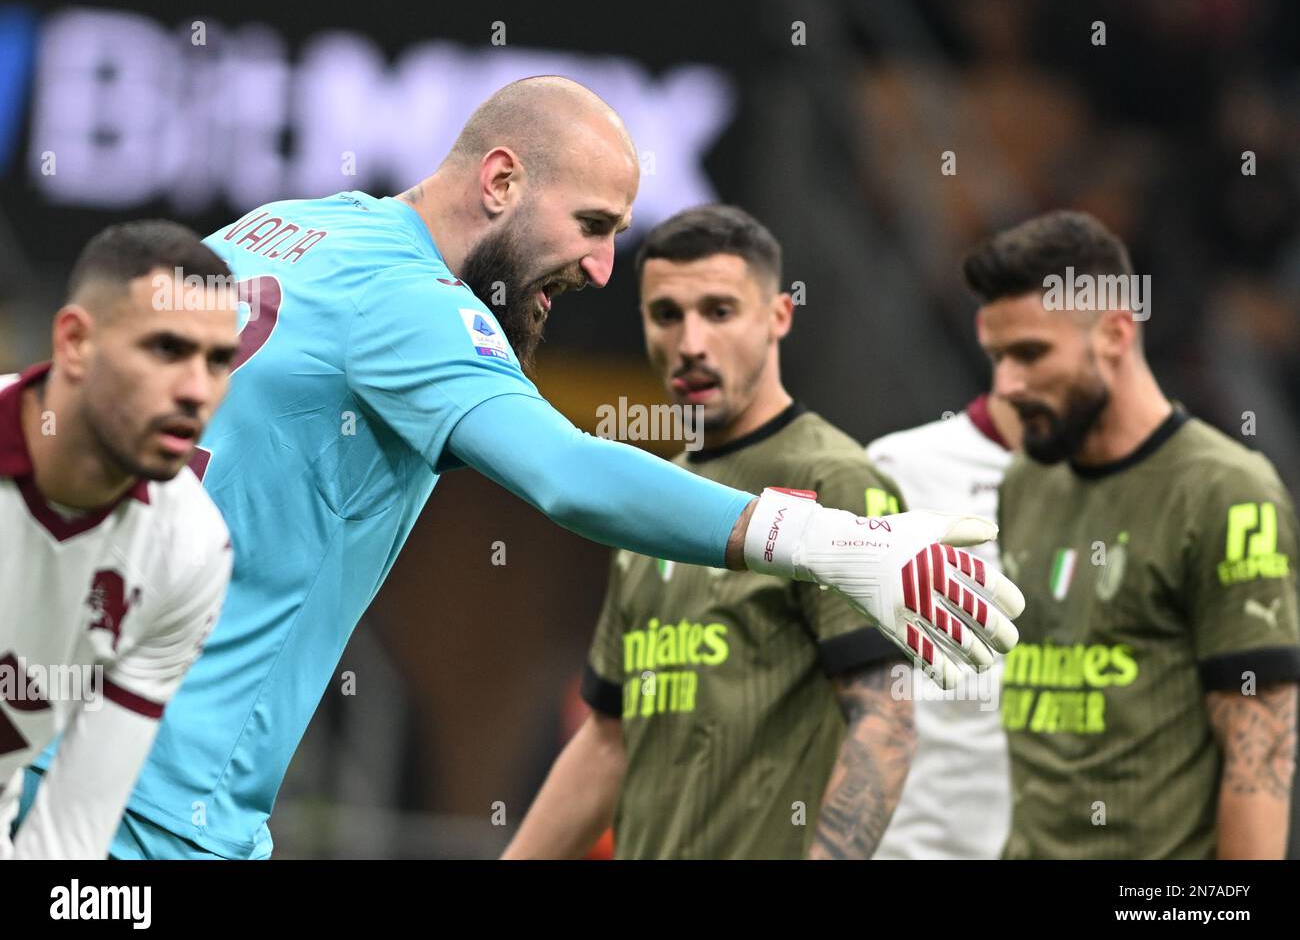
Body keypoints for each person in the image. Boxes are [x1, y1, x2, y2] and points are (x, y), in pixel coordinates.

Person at [25, 77, 1023, 859]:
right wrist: (834, 542)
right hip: (158, 800)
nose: (600, 269)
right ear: (499, 182)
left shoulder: (289, 227)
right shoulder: (412, 299)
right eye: (592, 226)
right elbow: (570, 474)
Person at [504, 205, 915, 859]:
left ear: (778, 316)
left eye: (719, 312)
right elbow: (608, 739)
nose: (690, 341)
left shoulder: (834, 480)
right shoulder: (652, 494)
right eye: (667, 314)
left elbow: (885, 717)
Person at [974, 210, 1299, 858]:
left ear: (1116, 334)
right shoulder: (1023, 481)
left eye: (1032, 353)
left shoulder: (1225, 491)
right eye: (997, 357)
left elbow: (1258, 757)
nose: (1006, 385)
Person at [1, 221, 237, 858]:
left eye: (219, 361)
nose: (197, 389)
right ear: (76, 342)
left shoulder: (192, 549)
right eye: (166, 348)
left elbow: (73, 832)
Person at [867, 393, 1021, 859]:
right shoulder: (895, 466)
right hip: (917, 844)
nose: (1017, 378)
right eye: (1008, 354)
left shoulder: (1152, 480)